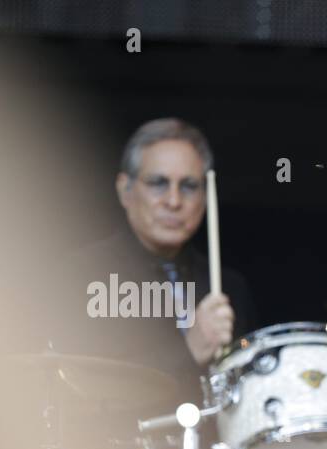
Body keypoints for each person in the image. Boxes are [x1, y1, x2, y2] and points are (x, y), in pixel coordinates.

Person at [60, 117, 258, 404]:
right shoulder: (80, 275)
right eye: (158, 183)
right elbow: (82, 390)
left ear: (205, 198)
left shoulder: (229, 286)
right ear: (125, 190)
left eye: (189, 186)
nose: (174, 201)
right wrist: (187, 351)